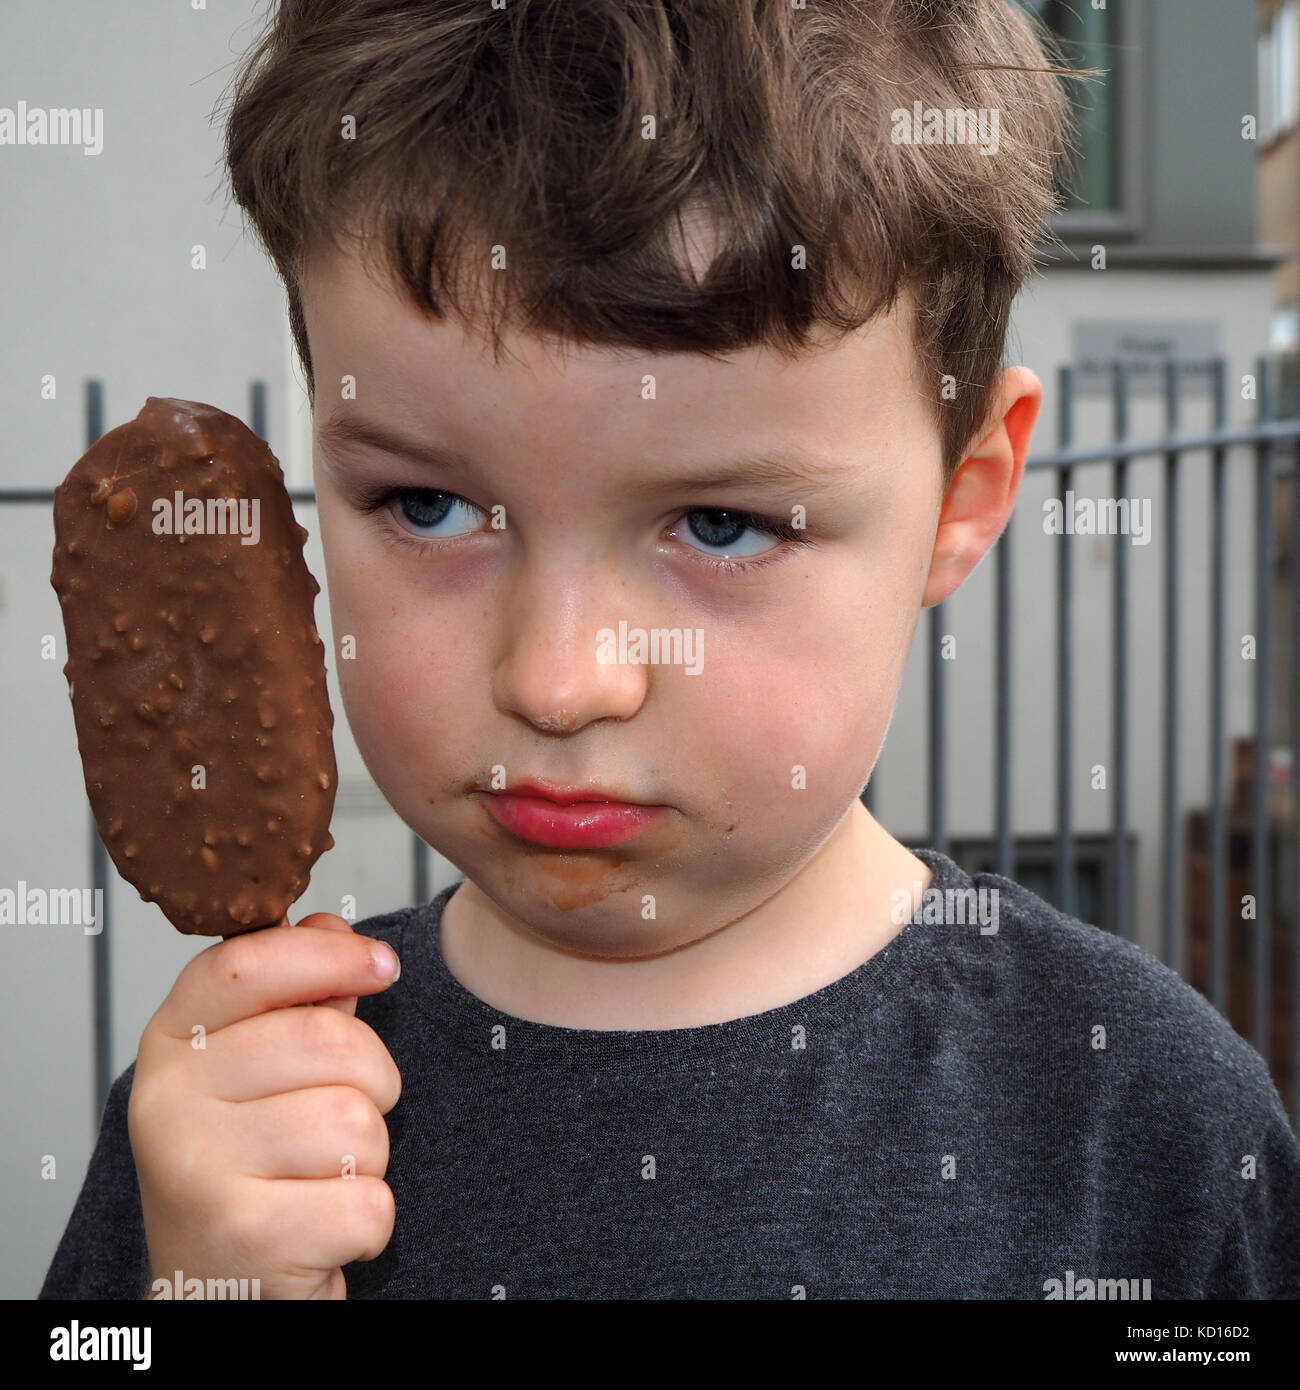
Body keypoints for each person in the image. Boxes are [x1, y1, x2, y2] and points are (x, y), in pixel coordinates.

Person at [41, 0, 1300, 1299]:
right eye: (429, 505)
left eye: (720, 523)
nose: (559, 677)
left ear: (963, 497)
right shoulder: (224, 1142)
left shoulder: (1150, 1132)